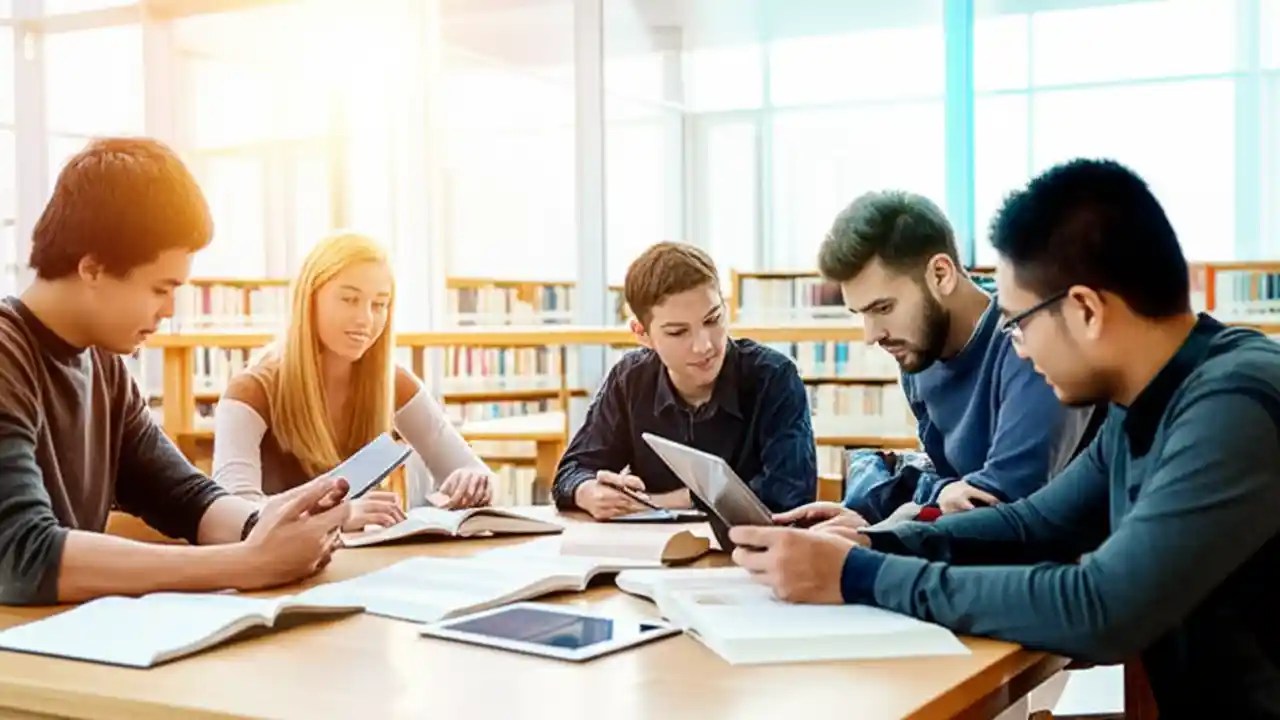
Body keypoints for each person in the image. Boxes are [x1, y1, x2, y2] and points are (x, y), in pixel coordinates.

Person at [731, 159, 1280, 718]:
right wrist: (874, 544)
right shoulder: (1142, 403)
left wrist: (858, 576)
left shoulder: (1233, 405)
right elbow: (1033, 524)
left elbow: (1104, 607)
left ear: (1086, 309)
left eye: (1018, 322)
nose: (1016, 347)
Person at [0, 137, 350, 606]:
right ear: (93, 268)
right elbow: (23, 556)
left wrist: (266, 527)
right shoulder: (7, 355)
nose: (169, 309)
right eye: (160, 288)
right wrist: (250, 562)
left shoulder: (103, 363)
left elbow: (181, 496)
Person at [813, 191, 1097, 523]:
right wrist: (865, 518)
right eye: (861, 314)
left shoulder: (1029, 339)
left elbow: (992, 502)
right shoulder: (917, 355)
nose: (871, 335)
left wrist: (901, 515)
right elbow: (950, 493)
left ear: (941, 275)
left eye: (883, 308)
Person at [212, 232, 495, 530]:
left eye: (379, 304)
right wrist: (337, 516)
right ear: (310, 299)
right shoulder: (251, 391)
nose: (366, 319)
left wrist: (474, 480)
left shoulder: (392, 382)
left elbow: (470, 468)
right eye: (349, 299)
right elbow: (231, 510)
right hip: (278, 569)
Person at [552, 241, 817, 521]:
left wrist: (666, 502)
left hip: (750, 554)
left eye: (713, 320)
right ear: (642, 334)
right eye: (678, 332)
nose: (704, 346)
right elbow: (571, 473)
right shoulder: (629, 379)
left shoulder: (774, 377)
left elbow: (791, 494)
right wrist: (589, 491)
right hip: (652, 556)